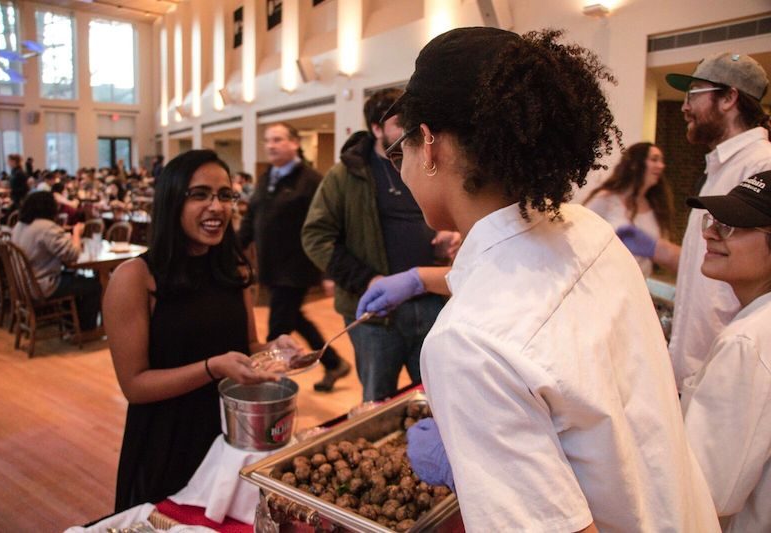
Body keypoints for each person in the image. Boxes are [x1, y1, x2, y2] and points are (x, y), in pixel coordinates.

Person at [365, 27, 719, 531]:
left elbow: (503, 323)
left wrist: (470, 470)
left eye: (401, 148)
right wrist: (424, 278)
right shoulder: (588, 229)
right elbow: (532, 297)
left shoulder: (466, 344)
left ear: (429, 144)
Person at [104, 150, 293, 511]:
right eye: (200, 194)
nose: (217, 207)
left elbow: (246, 345)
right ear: (173, 200)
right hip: (167, 438)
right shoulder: (135, 277)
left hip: (228, 437)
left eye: (225, 195)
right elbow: (135, 385)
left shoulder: (233, 271)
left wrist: (275, 348)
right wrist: (212, 368)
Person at [617, 52, 771, 388]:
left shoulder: (760, 165)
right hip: (694, 368)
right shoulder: (720, 167)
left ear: (729, 97)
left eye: (694, 94)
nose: (685, 107)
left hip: (727, 368)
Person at [302, 89, 460, 401]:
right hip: (376, 315)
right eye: (400, 123)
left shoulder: (428, 164)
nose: (410, 130)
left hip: (432, 303)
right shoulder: (346, 175)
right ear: (376, 129)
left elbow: (451, 213)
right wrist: (368, 280)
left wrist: (450, 236)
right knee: (377, 400)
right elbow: (315, 236)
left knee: (439, 396)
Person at [681, 170, 771, 532]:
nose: (709, 233)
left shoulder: (748, 343)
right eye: (713, 220)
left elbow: (703, 489)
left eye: (731, 226)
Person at [237, 123, 351, 392]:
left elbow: (329, 226)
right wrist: (233, 252)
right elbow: (252, 218)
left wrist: (328, 271)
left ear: (294, 143)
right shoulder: (267, 177)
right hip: (272, 267)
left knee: (277, 331)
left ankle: (271, 385)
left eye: (277, 140)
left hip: (296, 268)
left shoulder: (310, 180)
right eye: (268, 141)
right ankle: (334, 362)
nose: (271, 145)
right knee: (294, 319)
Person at [10, 191, 101, 331]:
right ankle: (86, 329)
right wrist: (76, 233)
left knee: (77, 280)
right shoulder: (45, 227)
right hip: (42, 286)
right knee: (94, 285)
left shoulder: (20, 225)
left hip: (23, 284)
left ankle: (72, 325)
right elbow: (72, 255)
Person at [583, 142, 674, 276]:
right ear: (634, 165)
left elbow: (660, 253)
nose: (661, 166)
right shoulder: (605, 199)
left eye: (661, 161)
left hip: (638, 288)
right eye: (654, 159)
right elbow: (581, 238)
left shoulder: (655, 207)